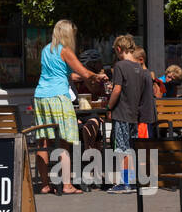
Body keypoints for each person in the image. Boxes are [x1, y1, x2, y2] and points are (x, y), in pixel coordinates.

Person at [32, 21, 107, 195]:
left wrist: (83, 77)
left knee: (43, 141)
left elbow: (64, 73)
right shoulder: (65, 50)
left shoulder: (46, 50)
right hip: (59, 97)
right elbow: (85, 72)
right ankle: (67, 185)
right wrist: (99, 76)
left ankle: (45, 185)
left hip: (41, 96)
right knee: (64, 141)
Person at [105, 38, 146, 192]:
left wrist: (109, 107)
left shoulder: (120, 66)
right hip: (134, 114)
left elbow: (116, 89)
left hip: (121, 113)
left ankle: (125, 182)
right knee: (131, 148)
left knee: (122, 149)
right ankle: (132, 180)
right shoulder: (138, 67)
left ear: (120, 49)